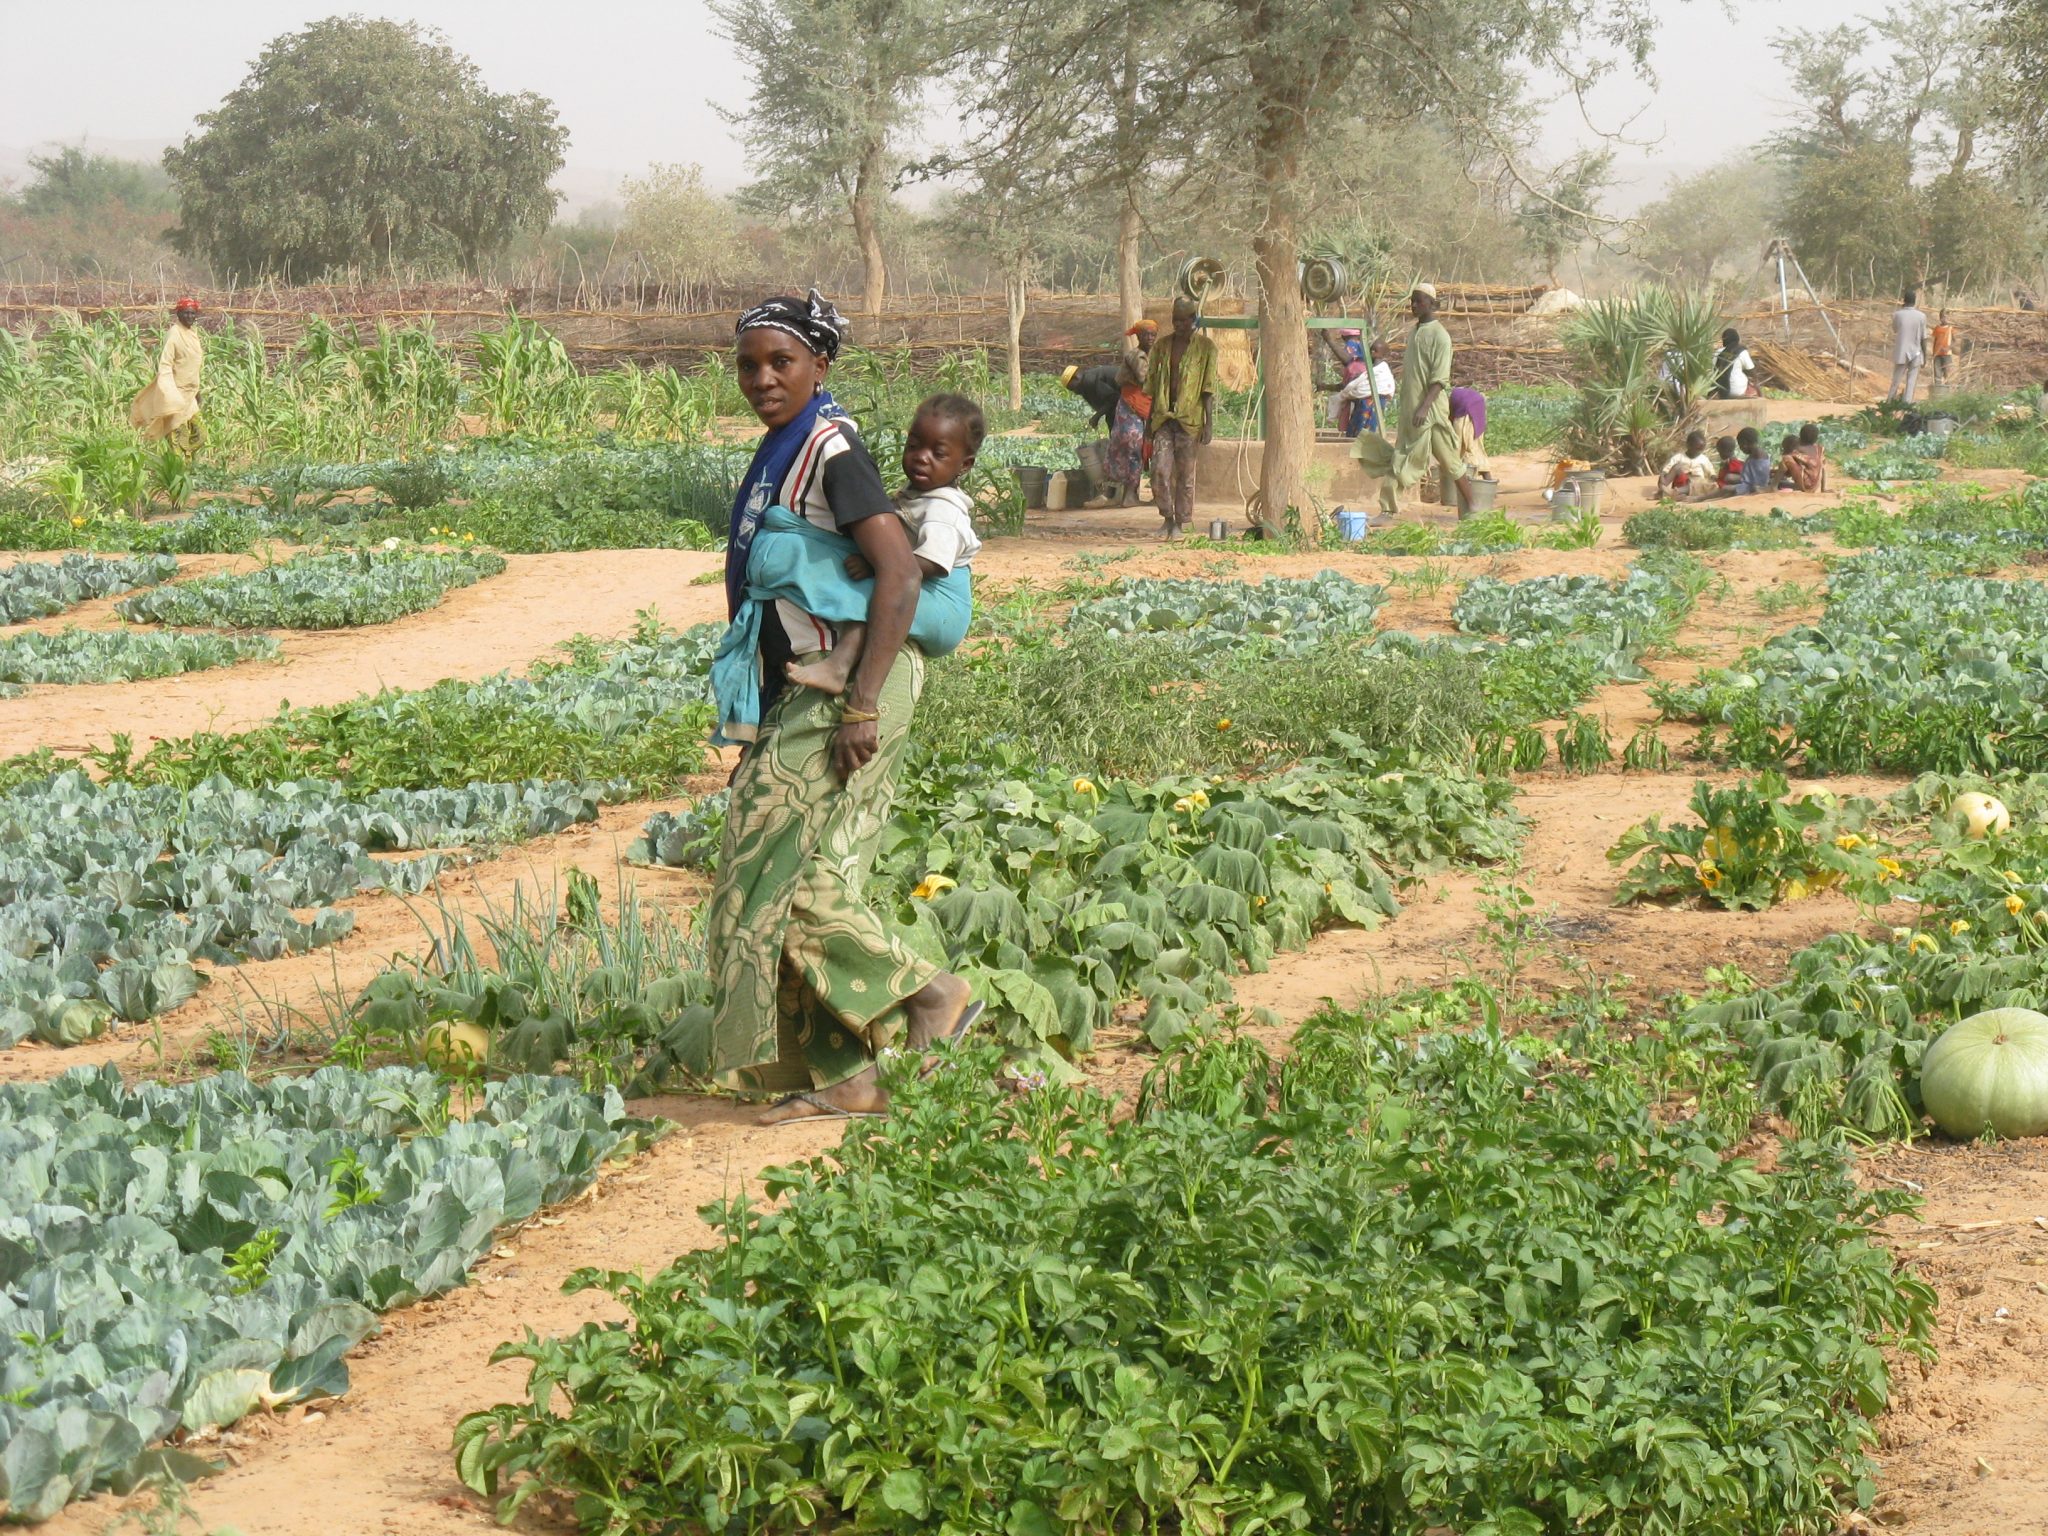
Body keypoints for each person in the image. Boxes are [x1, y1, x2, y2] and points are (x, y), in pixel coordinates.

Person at [703, 290, 981, 1124]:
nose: (761, 378)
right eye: (749, 364)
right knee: (816, 871)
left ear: (819, 366)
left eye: (780, 361)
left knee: (764, 878)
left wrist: (859, 705)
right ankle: (860, 1070)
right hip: (815, 689)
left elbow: (899, 575)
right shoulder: (788, 446)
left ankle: (931, 995)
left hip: (851, 691)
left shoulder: (833, 451)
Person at [784, 394, 983, 696]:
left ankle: (838, 668)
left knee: (880, 597)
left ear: (964, 464)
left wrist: (877, 565)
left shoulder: (945, 510)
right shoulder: (919, 494)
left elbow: (934, 563)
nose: (921, 457)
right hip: (924, 587)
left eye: (938, 453)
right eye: (914, 445)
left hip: (946, 606)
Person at [1353, 284, 1475, 519]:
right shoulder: (1415, 332)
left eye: (1419, 301)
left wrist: (1424, 406)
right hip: (1414, 410)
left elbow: (1440, 379)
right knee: (1438, 461)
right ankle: (1471, 508)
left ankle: (1472, 507)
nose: (1414, 306)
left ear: (1432, 304)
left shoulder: (1440, 336)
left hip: (1429, 411)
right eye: (1412, 301)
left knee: (1432, 461)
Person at [1143, 297, 1219, 536]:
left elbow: (1207, 389)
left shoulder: (1206, 348)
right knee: (1160, 470)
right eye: (1175, 320)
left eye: (1183, 320)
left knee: (1186, 474)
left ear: (1193, 320)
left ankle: (1180, 521)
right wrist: (1149, 423)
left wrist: (1208, 424)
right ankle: (1166, 517)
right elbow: (1153, 386)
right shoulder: (1162, 347)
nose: (1179, 325)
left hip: (1190, 419)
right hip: (1163, 416)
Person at [129, 296, 205, 451]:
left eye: (192, 313)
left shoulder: (191, 334)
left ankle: (188, 468)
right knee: (179, 440)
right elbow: (165, 365)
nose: (190, 316)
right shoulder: (174, 334)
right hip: (177, 395)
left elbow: (191, 366)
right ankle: (177, 471)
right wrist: (170, 395)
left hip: (190, 396)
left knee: (200, 436)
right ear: (178, 314)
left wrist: (197, 391)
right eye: (186, 313)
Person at [1106, 320, 1155, 506]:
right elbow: (1145, 379)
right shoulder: (1137, 356)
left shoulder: (1147, 355)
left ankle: (1129, 494)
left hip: (1134, 407)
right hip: (1132, 408)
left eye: (1152, 334)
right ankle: (1129, 496)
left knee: (1134, 450)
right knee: (1133, 449)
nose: (1149, 338)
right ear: (1138, 336)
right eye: (1146, 334)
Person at [1330, 341, 1395, 437]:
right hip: (1363, 404)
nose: (1372, 352)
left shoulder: (1381, 371)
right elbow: (1363, 385)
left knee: (1363, 429)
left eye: (1375, 350)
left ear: (1383, 354)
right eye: (1371, 350)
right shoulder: (1368, 370)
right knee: (1359, 426)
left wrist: (1354, 391)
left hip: (1371, 404)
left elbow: (1383, 387)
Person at [1890, 289, 1929, 403]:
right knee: (1911, 384)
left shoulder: (1897, 315)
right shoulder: (1921, 316)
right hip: (1916, 353)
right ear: (1915, 301)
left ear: (1904, 300)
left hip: (1901, 352)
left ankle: (1888, 405)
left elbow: (1895, 329)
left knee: (1895, 382)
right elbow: (1924, 338)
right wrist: (1925, 356)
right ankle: (1907, 407)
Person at [1062, 363, 1123, 429]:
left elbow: (1113, 399)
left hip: (1131, 392)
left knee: (1113, 419)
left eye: (1073, 388)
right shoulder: (1087, 378)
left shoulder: (1089, 381)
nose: (1075, 392)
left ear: (1076, 377)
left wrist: (1096, 417)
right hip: (1126, 393)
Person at [1657, 430, 1714, 499]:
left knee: (1703, 483)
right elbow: (1667, 468)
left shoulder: (1703, 459)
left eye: (1701, 450)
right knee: (1676, 467)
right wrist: (1662, 475)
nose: (1699, 452)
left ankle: (1676, 494)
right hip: (1682, 481)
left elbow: (1710, 470)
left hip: (1696, 483)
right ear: (1688, 445)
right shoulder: (1679, 457)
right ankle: (1663, 489)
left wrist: (1713, 476)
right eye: (1697, 449)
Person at [1448, 385, 1488, 475]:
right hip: (1478, 414)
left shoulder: (1453, 396)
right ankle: (1486, 476)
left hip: (1465, 415)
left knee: (1464, 447)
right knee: (1477, 445)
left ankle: (1467, 475)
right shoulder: (1467, 393)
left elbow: (1450, 416)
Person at [1784, 422, 1828, 492]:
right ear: (1816, 438)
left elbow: (1786, 465)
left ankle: (1773, 486)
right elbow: (1823, 469)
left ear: (1800, 436)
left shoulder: (1798, 449)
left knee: (1786, 458)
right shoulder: (1819, 449)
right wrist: (1823, 489)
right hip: (1815, 486)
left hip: (1805, 485)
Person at [1714, 328, 1757, 399]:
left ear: (1724, 340)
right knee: (1751, 381)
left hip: (1720, 391)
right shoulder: (1742, 351)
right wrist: (1755, 382)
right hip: (1738, 390)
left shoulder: (1718, 352)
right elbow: (1751, 371)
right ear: (1737, 338)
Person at [1734, 426, 1773, 495]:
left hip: (1751, 487)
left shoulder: (1757, 454)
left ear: (1745, 444)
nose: (1741, 448)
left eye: (1740, 445)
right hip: (1749, 484)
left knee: (1726, 488)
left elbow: (1759, 478)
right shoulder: (1755, 454)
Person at [1931, 309, 1955, 389]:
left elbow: (1955, 341)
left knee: (1947, 374)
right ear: (1940, 318)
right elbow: (1935, 341)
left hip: (1947, 355)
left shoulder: (1951, 328)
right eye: (1943, 317)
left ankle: (1947, 392)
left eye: (1947, 317)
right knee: (1937, 374)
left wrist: (1948, 348)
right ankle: (1938, 391)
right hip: (1937, 354)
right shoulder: (1937, 328)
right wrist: (1933, 353)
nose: (1945, 319)